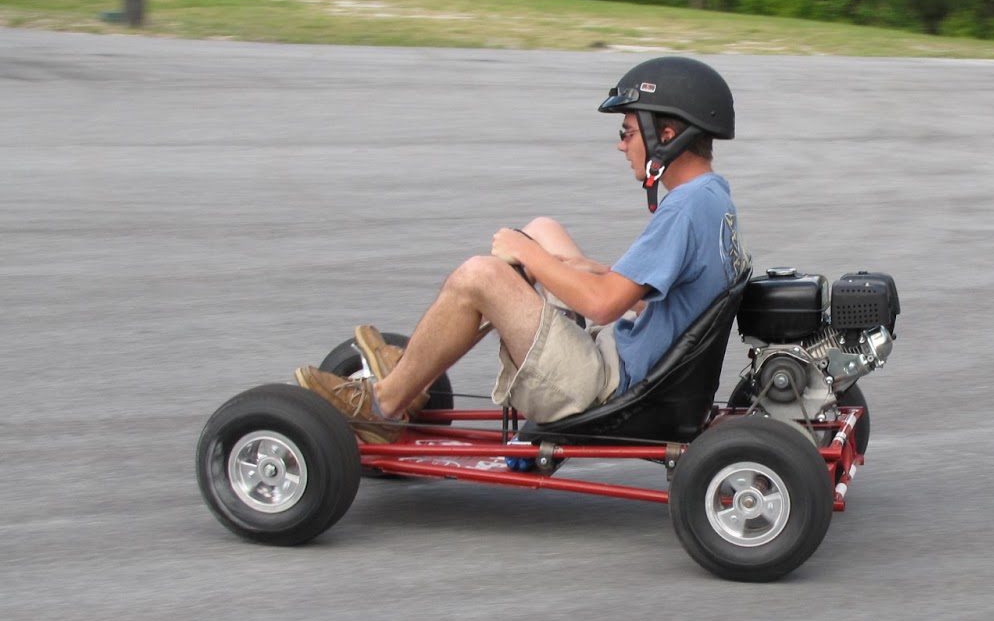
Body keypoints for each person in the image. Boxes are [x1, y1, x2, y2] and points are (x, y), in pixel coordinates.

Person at [293, 56, 748, 441]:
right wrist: (572, 263)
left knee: (481, 275)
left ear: (666, 136)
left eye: (628, 132)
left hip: (607, 387)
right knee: (543, 229)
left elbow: (604, 304)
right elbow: (668, 286)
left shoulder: (684, 210)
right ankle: (413, 375)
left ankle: (382, 405)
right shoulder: (710, 197)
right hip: (636, 359)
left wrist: (528, 256)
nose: (620, 144)